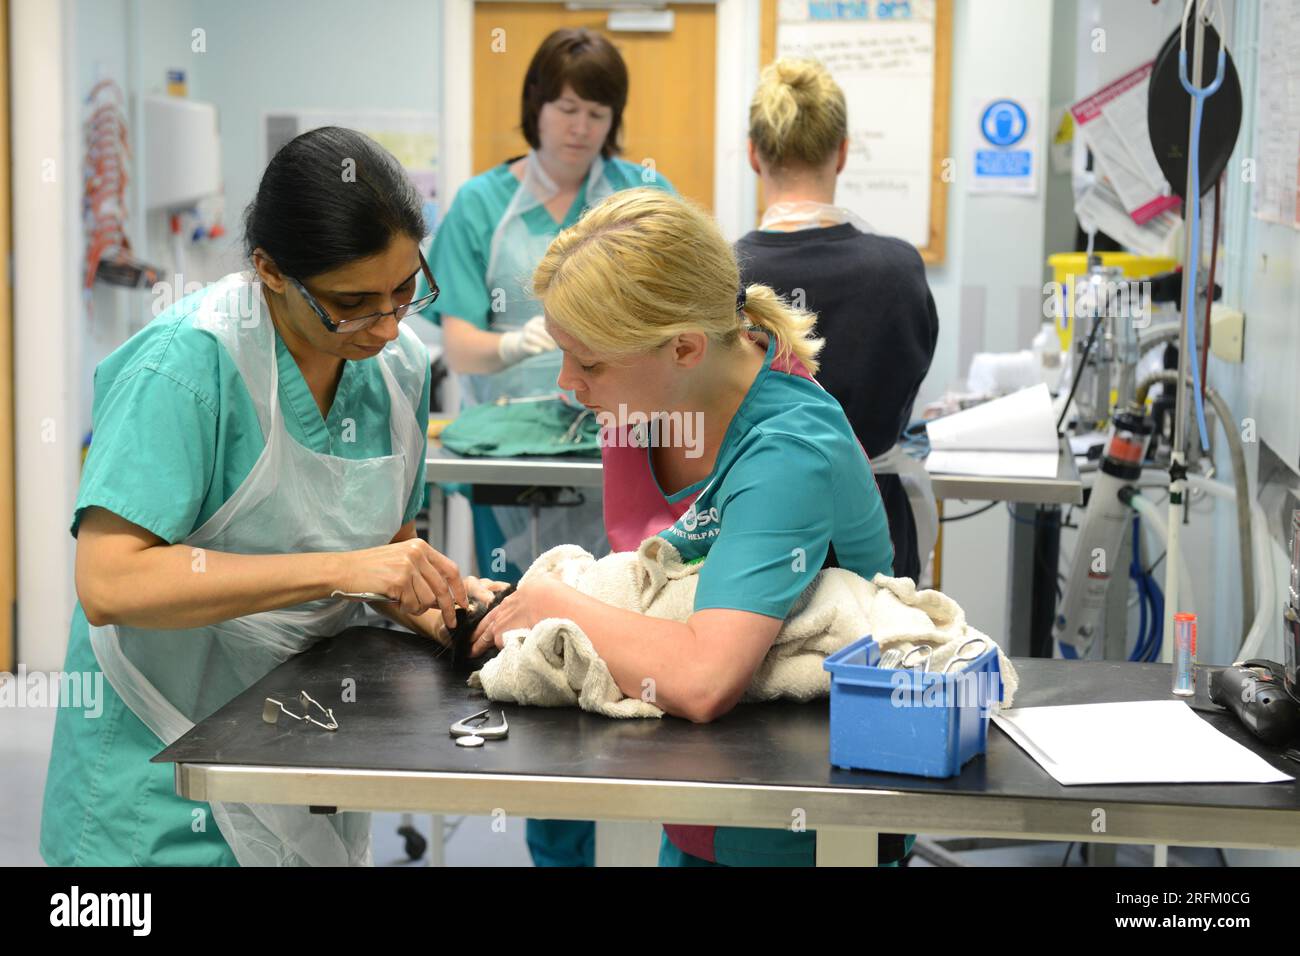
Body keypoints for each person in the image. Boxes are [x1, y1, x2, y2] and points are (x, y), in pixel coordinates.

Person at [39, 127, 487, 866]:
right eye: (351, 303)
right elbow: (109, 581)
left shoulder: (399, 367)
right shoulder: (188, 366)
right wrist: (339, 569)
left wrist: (467, 616)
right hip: (161, 770)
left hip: (303, 746)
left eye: (406, 288)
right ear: (270, 271)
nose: (387, 325)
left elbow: (389, 552)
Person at [468, 188, 913, 866]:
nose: (567, 383)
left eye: (587, 362)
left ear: (683, 347)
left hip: (805, 812)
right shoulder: (640, 407)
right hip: (692, 791)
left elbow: (705, 677)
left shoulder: (789, 450)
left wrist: (555, 602)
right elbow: (646, 586)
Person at [424, 27, 675, 866]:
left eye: (597, 111)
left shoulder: (641, 195)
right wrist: (515, 347)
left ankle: (660, 827)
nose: (579, 126)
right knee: (533, 652)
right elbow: (455, 342)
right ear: (536, 106)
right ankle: (557, 849)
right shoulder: (480, 207)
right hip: (511, 458)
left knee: (634, 640)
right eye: (565, 107)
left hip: (627, 450)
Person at [736, 58, 939, 580]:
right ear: (843, 153)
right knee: (875, 660)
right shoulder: (899, 270)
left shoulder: (722, 277)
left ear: (753, 154)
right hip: (877, 541)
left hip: (757, 543)